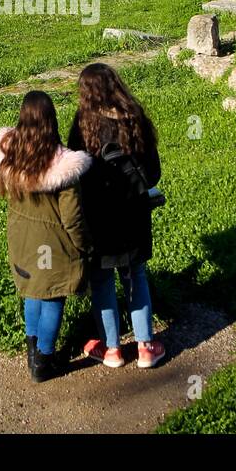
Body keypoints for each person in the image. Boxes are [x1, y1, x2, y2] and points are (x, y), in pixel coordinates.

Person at [67, 63, 166, 369]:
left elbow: (74, 171)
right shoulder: (135, 118)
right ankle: (146, 346)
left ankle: (111, 350)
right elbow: (152, 174)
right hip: (134, 215)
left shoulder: (83, 123)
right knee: (136, 277)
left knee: (102, 280)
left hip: (99, 218)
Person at [0, 90, 92, 382]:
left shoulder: (10, 159)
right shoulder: (63, 168)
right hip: (53, 247)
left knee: (32, 291)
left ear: (22, 118)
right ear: (51, 121)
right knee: (53, 299)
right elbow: (72, 218)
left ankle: (32, 350)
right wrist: (85, 245)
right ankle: (45, 361)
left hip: (21, 242)